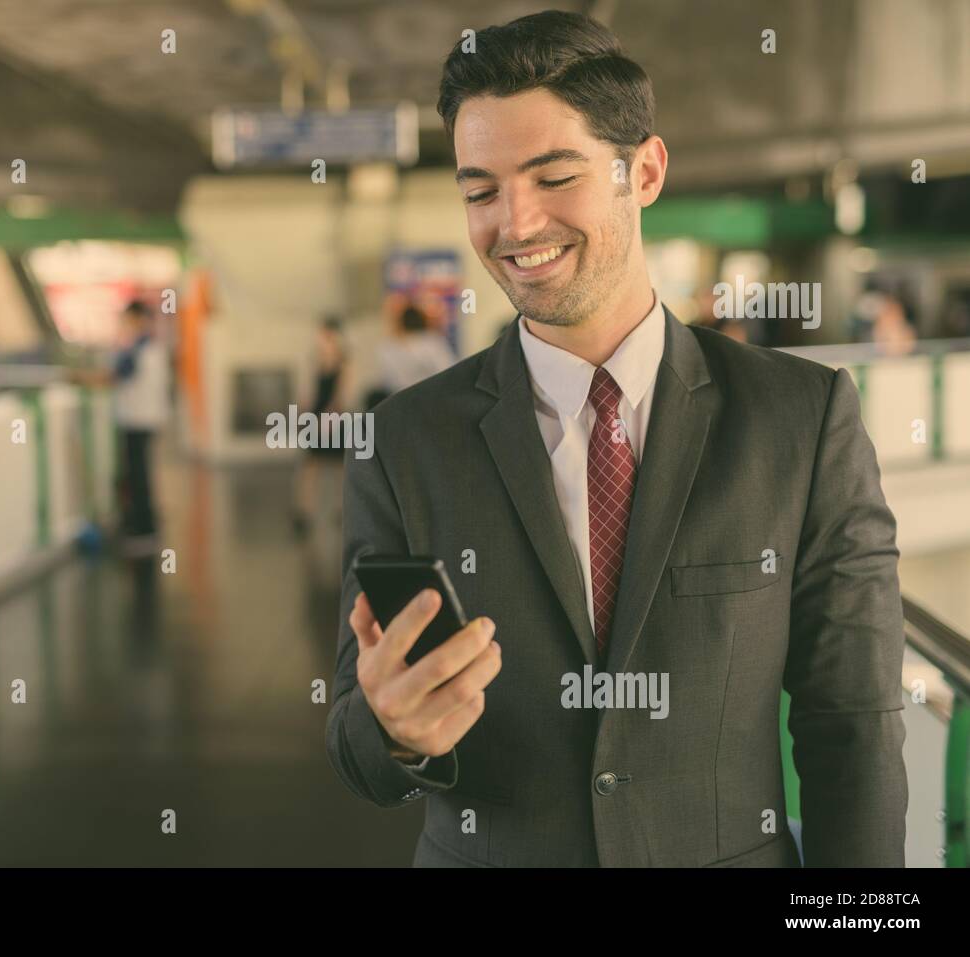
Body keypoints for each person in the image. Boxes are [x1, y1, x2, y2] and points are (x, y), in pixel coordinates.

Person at [325, 11, 907, 868]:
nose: (514, 225)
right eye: (480, 191)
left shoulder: (801, 419)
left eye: (554, 176)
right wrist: (396, 734)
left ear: (645, 170)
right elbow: (359, 749)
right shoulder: (405, 440)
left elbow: (850, 725)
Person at [111, 300, 169, 554]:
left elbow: (116, 376)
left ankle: (144, 530)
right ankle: (147, 523)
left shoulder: (137, 349)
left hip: (136, 419)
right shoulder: (153, 348)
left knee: (139, 475)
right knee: (142, 473)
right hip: (147, 417)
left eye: (129, 319)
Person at [293, 316, 349, 536]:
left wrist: (331, 416)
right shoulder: (316, 361)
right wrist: (303, 414)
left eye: (327, 335)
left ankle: (343, 508)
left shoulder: (344, 362)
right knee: (310, 465)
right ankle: (304, 511)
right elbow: (309, 393)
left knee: (339, 467)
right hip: (317, 417)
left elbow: (342, 395)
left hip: (333, 418)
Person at [367, 304, 456, 409]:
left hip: (399, 403)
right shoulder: (432, 342)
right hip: (433, 401)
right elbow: (450, 371)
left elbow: (385, 379)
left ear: (401, 324)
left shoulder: (387, 347)